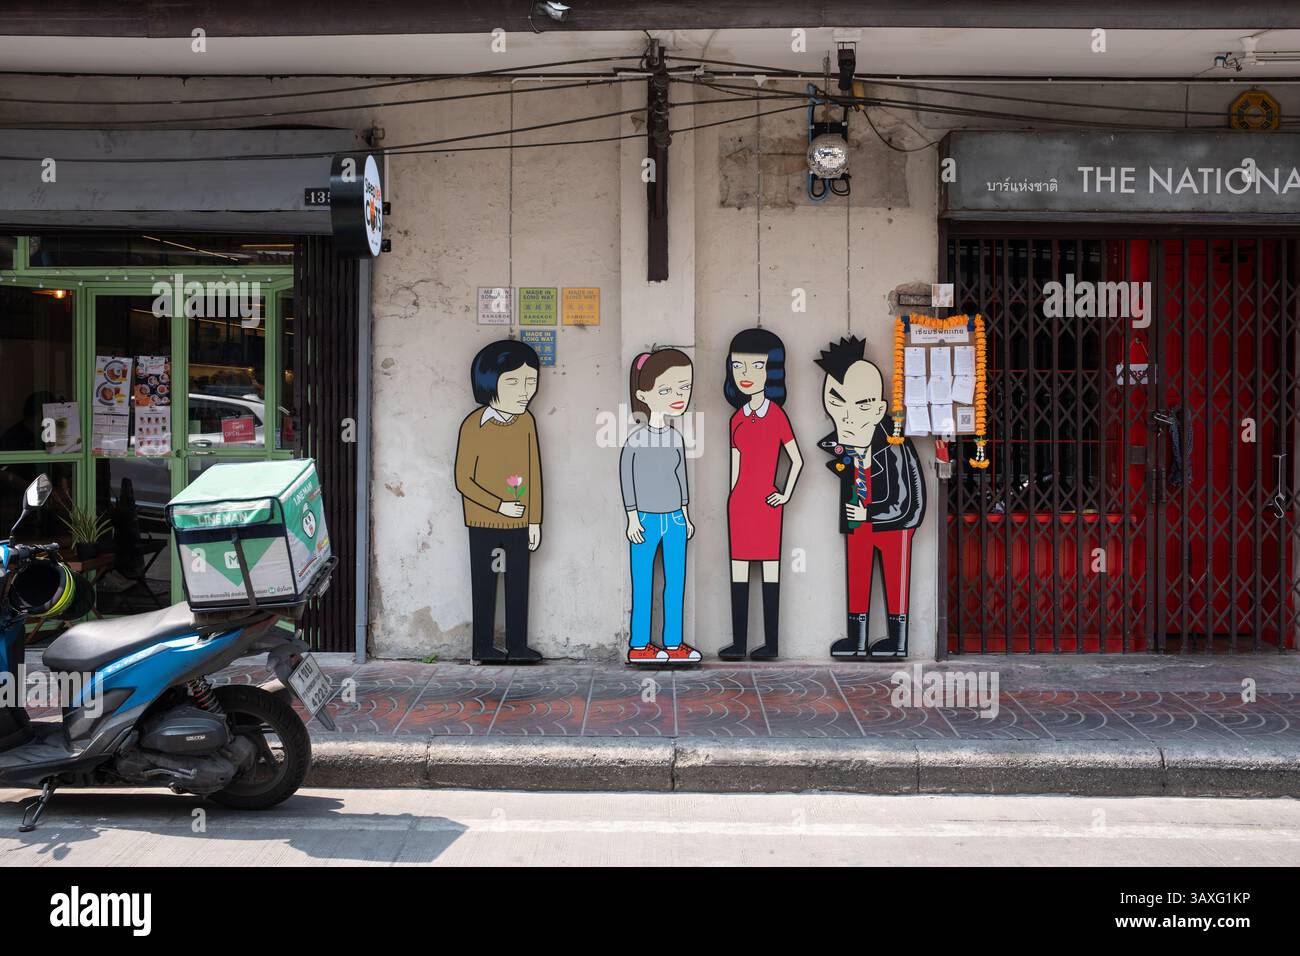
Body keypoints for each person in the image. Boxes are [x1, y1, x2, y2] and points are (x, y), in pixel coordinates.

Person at [814, 336, 925, 658]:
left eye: (860, 404)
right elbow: (846, 466)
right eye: (837, 402)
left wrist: (871, 514)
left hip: (893, 526)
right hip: (857, 520)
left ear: (879, 408)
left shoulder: (895, 444)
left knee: (895, 577)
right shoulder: (847, 442)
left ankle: (897, 641)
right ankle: (857, 639)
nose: (847, 415)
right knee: (858, 576)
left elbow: (906, 499)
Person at [454, 339, 544, 663]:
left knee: (519, 582)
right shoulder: (473, 426)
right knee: (485, 583)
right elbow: (464, 480)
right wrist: (498, 505)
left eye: (530, 382)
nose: (525, 391)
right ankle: (483, 646)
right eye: (514, 382)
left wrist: (534, 520)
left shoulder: (526, 423)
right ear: (489, 383)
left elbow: (534, 472)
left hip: (520, 521)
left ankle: (517, 646)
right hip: (483, 521)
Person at [719, 328, 802, 661]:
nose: (746, 375)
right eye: (738, 366)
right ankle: (738, 644)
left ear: (772, 371)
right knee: (739, 573)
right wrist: (731, 499)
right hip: (739, 505)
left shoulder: (777, 416)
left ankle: (771, 644)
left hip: (768, 505)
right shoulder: (737, 418)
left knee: (770, 572)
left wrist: (784, 494)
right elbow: (734, 466)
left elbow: (796, 459)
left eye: (756, 366)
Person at [620, 348, 699, 664]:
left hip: (675, 521)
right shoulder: (636, 440)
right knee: (643, 583)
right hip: (645, 521)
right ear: (643, 394)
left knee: (675, 582)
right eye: (666, 390)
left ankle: (674, 642)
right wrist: (632, 518)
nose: (678, 396)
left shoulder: (676, 437)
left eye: (684, 388)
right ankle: (640, 644)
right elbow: (628, 479)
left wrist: (685, 515)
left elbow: (680, 477)